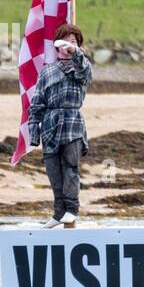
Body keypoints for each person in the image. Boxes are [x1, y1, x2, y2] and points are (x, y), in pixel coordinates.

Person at [27, 22, 92, 229]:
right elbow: (36, 103)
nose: (69, 45)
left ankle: (71, 211)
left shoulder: (81, 67)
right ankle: (58, 212)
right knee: (53, 171)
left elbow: (86, 72)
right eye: (65, 41)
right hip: (50, 127)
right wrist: (33, 130)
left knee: (70, 168)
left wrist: (75, 52)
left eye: (74, 42)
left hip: (72, 124)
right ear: (56, 46)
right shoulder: (47, 72)